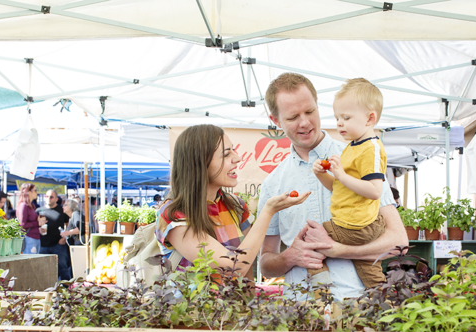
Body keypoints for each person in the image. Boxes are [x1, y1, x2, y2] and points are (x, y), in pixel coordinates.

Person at [257, 73, 408, 301]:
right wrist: (291, 257)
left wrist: (341, 250)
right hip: (301, 311)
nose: (305, 122)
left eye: (310, 111)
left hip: (360, 306)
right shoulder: (272, 184)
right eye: (292, 117)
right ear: (276, 120)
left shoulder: (361, 155)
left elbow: (399, 243)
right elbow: (266, 265)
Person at [156, 124, 307, 277]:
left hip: (236, 301)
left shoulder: (236, 206)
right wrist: (268, 211)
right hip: (194, 302)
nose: (237, 158)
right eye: (226, 154)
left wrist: (250, 300)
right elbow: (235, 267)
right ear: (200, 163)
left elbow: (248, 265)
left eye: (233, 150)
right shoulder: (174, 215)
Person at [309, 78, 387, 289]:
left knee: (310, 243)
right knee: (368, 267)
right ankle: (383, 301)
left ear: (370, 118)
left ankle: (322, 297)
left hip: (354, 225)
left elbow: (374, 191)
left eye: (346, 117)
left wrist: (341, 175)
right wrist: (321, 174)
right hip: (358, 223)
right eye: (337, 118)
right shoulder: (353, 146)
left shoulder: (371, 149)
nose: (339, 123)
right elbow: (338, 188)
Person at [38, 190, 71, 281]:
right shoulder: (39, 210)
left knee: (63, 267)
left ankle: (67, 289)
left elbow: (69, 224)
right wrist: (39, 229)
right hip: (43, 244)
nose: (48, 198)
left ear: (56, 199)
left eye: (51, 197)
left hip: (58, 244)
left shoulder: (61, 210)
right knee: (43, 268)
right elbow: (36, 226)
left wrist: (65, 237)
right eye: (47, 196)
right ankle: (45, 288)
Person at [16, 183, 45, 254]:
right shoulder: (23, 205)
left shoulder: (30, 205)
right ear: (28, 192)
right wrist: (37, 223)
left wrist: (38, 227)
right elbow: (22, 225)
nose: (36, 192)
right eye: (35, 190)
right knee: (31, 263)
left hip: (34, 238)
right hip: (29, 238)